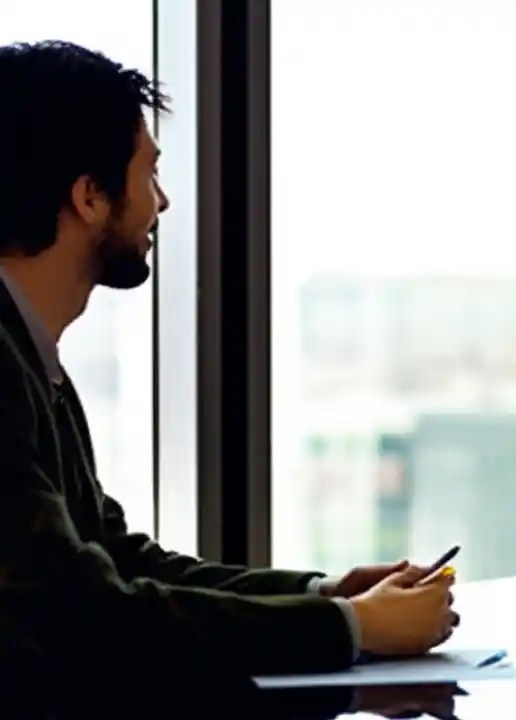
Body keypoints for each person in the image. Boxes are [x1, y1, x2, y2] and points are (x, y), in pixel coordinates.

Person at [0, 40, 457, 680]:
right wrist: (356, 628)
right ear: (90, 197)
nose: (161, 202)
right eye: (148, 174)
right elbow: (79, 612)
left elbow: (119, 561)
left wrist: (327, 595)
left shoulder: (31, 358)